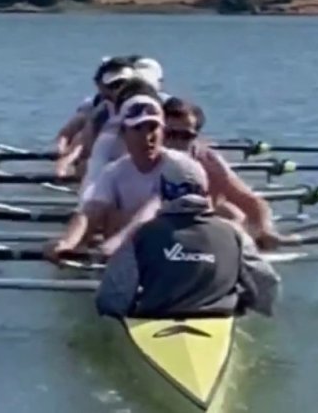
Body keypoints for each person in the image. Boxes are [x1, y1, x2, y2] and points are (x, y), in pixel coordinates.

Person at [94, 148, 281, 319]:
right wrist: (247, 303)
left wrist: (117, 315)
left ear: (165, 191)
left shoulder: (141, 235)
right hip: (219, 316)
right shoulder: (235, 234)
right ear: (204, 191)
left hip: (156, 317)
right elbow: (268, 283)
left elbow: (113, 296)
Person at [45, 93, 199, 262]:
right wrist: (67, 241)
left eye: (153, 127)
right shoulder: (113, 172)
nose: (148, 137)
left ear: (163, 132)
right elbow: (90, 211)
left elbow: (153, 208)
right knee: (107, 215)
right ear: (123, 134)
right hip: (137, 250)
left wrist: (117, 242)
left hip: (182, 253)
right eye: (138, 129)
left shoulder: (181, 167)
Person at [160, 96, 290, 250]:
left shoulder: (208, 161)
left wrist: (265, 229)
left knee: (234, 216)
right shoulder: (140, 159)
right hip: (156, 231)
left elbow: (253, 203)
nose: (175, 143)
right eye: (170, 134)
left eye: (185, 136)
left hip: (199, 232)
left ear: (196, 137)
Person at [53, 57, 136, 178]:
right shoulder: (99, 110)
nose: (120, 90)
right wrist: (64, 159)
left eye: (125, 84)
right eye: (115, 85)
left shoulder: (145, 108)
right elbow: (79, 139)